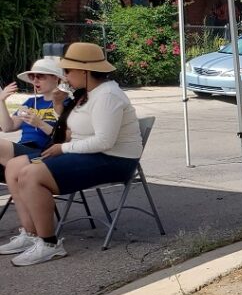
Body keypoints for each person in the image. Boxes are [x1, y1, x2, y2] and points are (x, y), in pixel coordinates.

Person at [1, 43, 142, 267]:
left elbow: (104, 141)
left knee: (31, 175)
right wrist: (59, 110)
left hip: (114, 159)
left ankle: (49, 243)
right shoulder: (86, 94)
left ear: (84, 72)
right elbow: (70, 131)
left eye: (67, 71)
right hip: (89, 153)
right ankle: (30, 233)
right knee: (15, 165)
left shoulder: (108, 96)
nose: (64, 76)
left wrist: (63, 148)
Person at [1, 58, 65, 179]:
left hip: (45, 155)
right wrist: (1, 101)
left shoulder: (65, 103)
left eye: (40, 76)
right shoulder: (30, 102)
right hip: (24, 151)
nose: (35, 80)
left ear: (56, 78)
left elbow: (66, 137)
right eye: (32, 76)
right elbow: (7, 127)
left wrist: (40, 124)